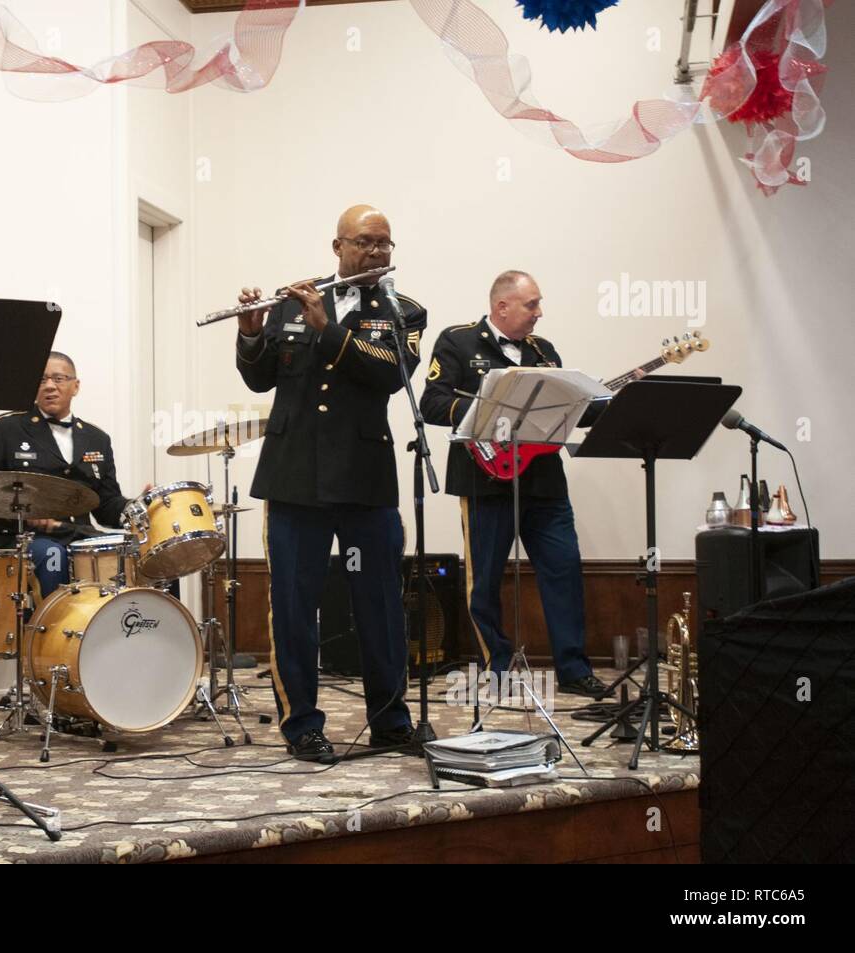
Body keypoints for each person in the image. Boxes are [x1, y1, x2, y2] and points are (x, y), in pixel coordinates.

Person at [235, 204, 426, 762]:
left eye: (385, 244)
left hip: (365, 479)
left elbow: (391, 374)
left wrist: (328, 329)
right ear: (337, 246)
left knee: (381, 604)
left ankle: (391, 720)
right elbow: (259, 376)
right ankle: (302, 726)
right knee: (295, 606)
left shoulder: (401, 311)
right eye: (365, 242)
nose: (376, 253)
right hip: (294, 478)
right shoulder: (291, 302)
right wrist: (250, 332)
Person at [419, 270, 609, 698]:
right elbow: (432, 402)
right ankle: (497, 668)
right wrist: (489, 411)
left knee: (563, 570)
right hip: (483, 479)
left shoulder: (545, 351)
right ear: (502, 306)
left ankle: (574, 670)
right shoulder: (457, 341)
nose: (539, 314)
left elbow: (572, 412)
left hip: (544, 481)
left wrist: (616, 395)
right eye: (532, 304)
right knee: (483, 578)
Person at [0, 352, 132, 598]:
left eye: (59, 379)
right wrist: (24, 512)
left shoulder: (97, 438)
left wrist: (139, 508)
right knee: (51, 554)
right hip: (23, 539)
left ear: (75, 386)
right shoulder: (6, 428)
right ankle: (51, 634)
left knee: (144, 553)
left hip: (78, 536)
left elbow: (107, 504)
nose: (49, 386)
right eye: (42, 380)